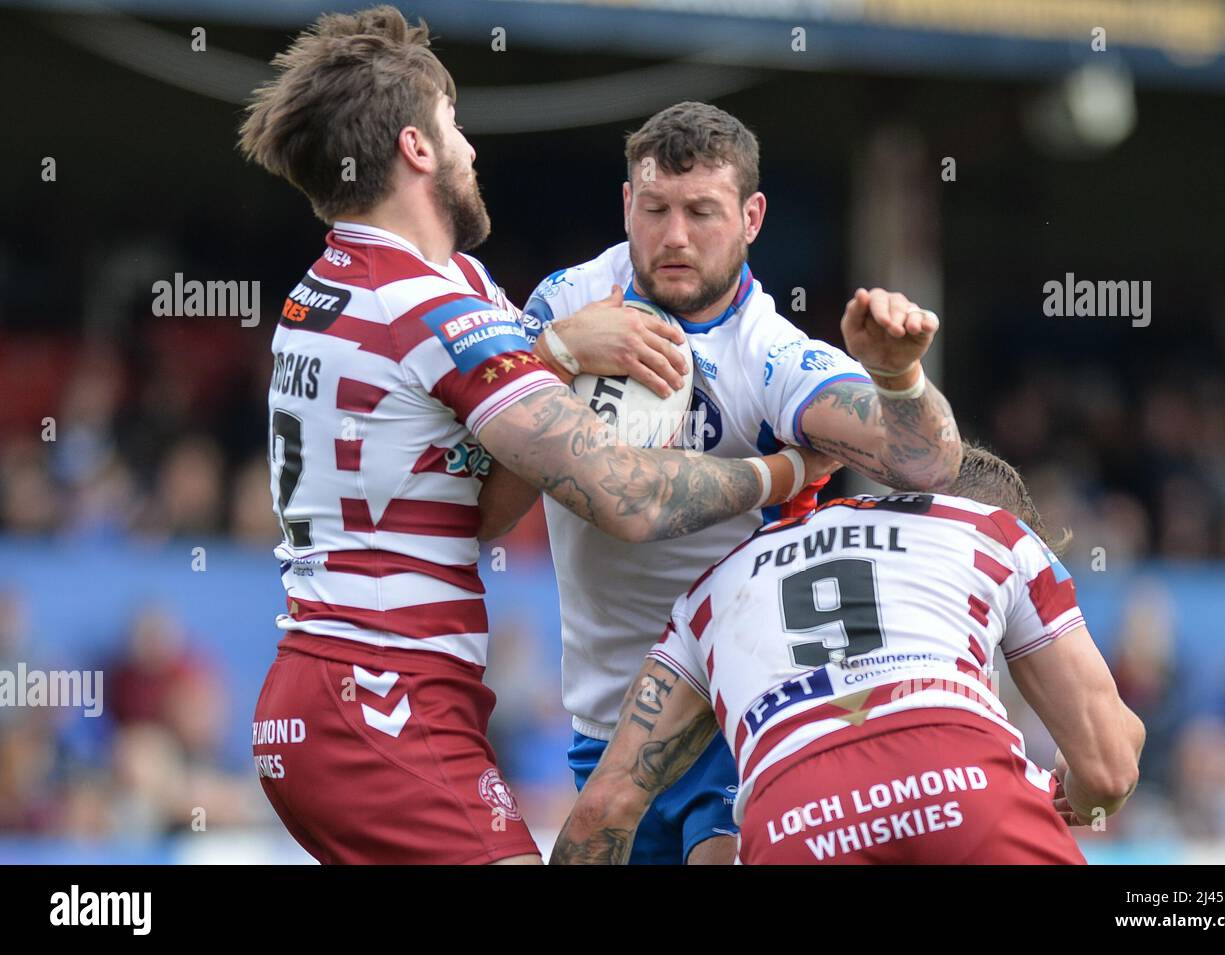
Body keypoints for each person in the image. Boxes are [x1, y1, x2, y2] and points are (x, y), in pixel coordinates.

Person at [237, 6, 829, 865]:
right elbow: (624, 496)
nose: (472, 147)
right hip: (376, 690)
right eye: (455, 124)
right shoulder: (424, 305)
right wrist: (784, 472)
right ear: (416, 148)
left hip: (344, 690)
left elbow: (472, 504)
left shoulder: (354, 284)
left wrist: (547, 353)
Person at [508, 101, 961, 863]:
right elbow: (528, 466)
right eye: (654, 209)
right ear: (627, 204)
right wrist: (553, 351)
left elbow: (926, 463)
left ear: (752, 217)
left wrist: (900, 377)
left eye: (702, 212)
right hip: (608, 718)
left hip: (741, 707)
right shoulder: (569, 305)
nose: (675, 235)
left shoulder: (771, 355)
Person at [550, 445, 1146, 864]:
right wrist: (1073, 791)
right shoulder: (993, 531)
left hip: (793, 818)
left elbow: (601, 809)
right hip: (960, 780)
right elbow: (1109, 769)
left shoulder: (709, 593)